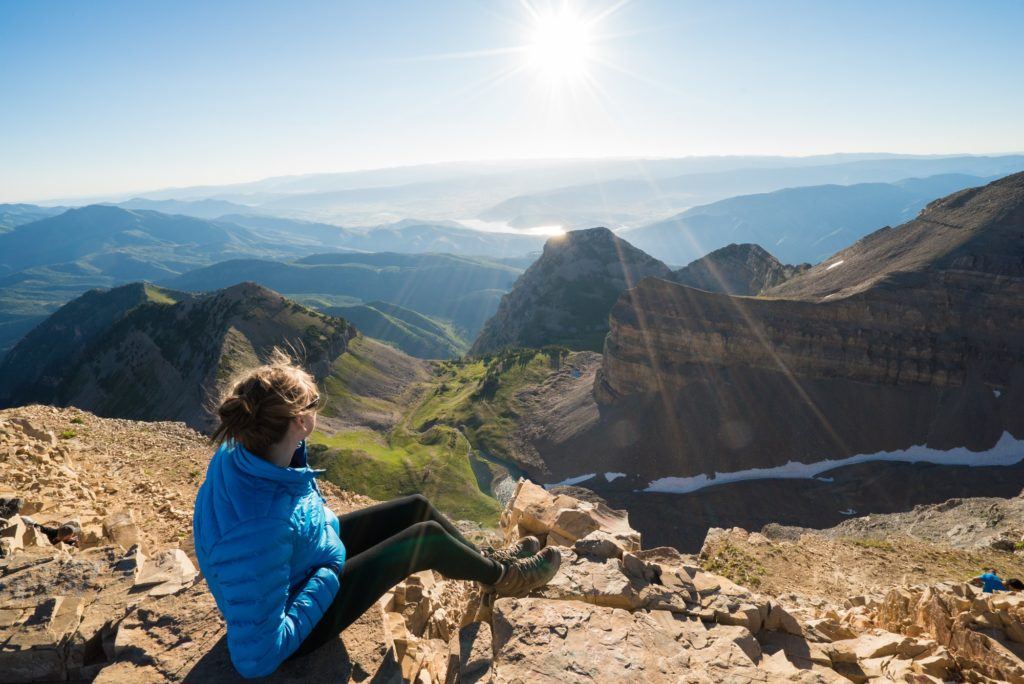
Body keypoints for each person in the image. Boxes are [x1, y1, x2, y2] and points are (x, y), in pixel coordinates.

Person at [192, 350, 561, 679]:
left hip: (302, 558)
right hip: (303, 617)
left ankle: (484, 563)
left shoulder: (244, 451)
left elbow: (282, 518)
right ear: (299, 422)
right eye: (313, 403)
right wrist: (326, 575)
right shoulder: (261, 527)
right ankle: (506, 577)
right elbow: (257, 658)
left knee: (416, 506)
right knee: (423, 539)